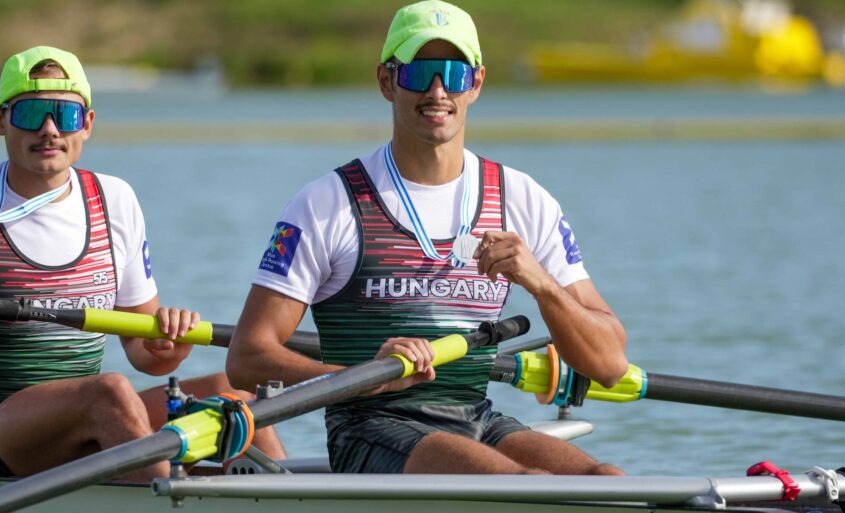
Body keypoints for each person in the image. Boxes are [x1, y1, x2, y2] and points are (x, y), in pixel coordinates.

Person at [227, 1, 627, 475]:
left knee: (606, 480)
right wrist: (356, 380)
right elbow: (248, 357)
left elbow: (609, 364)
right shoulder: (327, 203)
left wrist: (540, 284)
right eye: (419, 72)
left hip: (475, 418)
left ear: (476, 83)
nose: (438, 91)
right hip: (369, 427)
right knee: (524, 485)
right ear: (386, 81)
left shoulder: (522, 198)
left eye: (454, 74)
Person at [0, 45, 284, 480]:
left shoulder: (115, 202)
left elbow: (146, 353)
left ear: (86, 124)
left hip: (89, 420)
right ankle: (166, 495)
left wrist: (170, 346)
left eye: (65, 116)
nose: (49, 130)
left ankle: (288, 499)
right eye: (31, 113)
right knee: (108, 393)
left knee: (233, 396)